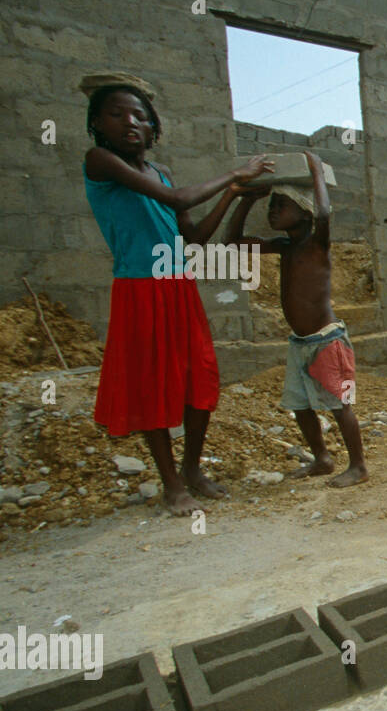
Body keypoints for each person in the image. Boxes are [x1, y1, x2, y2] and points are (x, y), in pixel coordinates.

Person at [81, 72, 273, 516]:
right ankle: (170, 485)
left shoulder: (160, 172)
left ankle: (192, 470)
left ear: (153, 128)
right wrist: (234, 173)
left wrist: (235, 195)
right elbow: (181, 200)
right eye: (117, 114)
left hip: (178, 287)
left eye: (140, 116)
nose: (131, 122)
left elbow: (194, 239)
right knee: (151, 385)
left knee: (200, 379)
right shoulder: (101, 161)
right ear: (98, 124)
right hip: (140, 291)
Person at [226, 152, 368, 487]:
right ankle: (322, 458)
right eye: (271, 205)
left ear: (303, 212)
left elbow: (323, 213)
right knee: (300, 406)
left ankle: (359, 466)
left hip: (327, 341)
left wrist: (317, 169)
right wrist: (246, 200)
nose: (272, 212)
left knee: (339, 405)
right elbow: (231, 242)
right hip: (300, 344)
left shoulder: (316, 243)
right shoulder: (284, 247)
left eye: (280, 205)